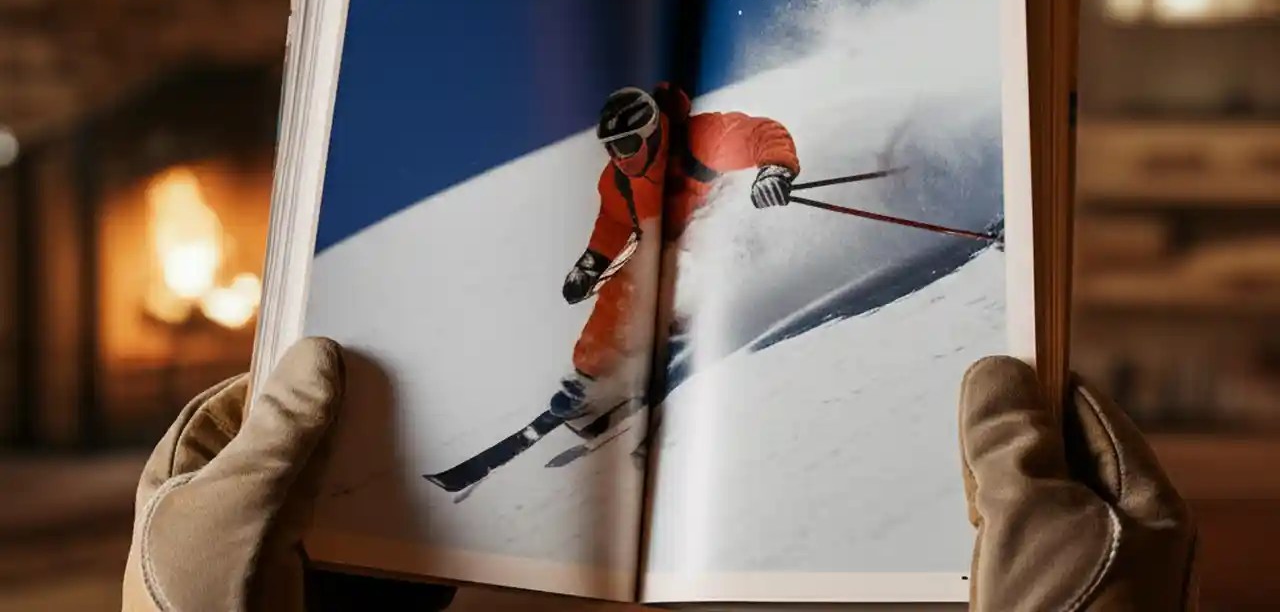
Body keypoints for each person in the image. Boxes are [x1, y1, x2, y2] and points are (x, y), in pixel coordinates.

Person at [123, 340, 1198, 612]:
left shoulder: (694, 140)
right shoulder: (627, 171)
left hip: (690, 286)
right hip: (631, 317)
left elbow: (747, 135)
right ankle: (589, 403)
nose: (634, 141)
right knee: (601, 356)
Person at [552, 83, 801, 428]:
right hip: (677, 238)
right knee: (628, 279)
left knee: (705, 240)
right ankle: (591, 376)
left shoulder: (698, 138)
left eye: (626, 145)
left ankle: (708, 314)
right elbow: (613, 223)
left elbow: (761, 132)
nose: (620, 158)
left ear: (651, 132)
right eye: (611, 148)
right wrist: (590, 266)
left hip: (734, 221)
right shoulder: (617, 180)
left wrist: (774, 169)